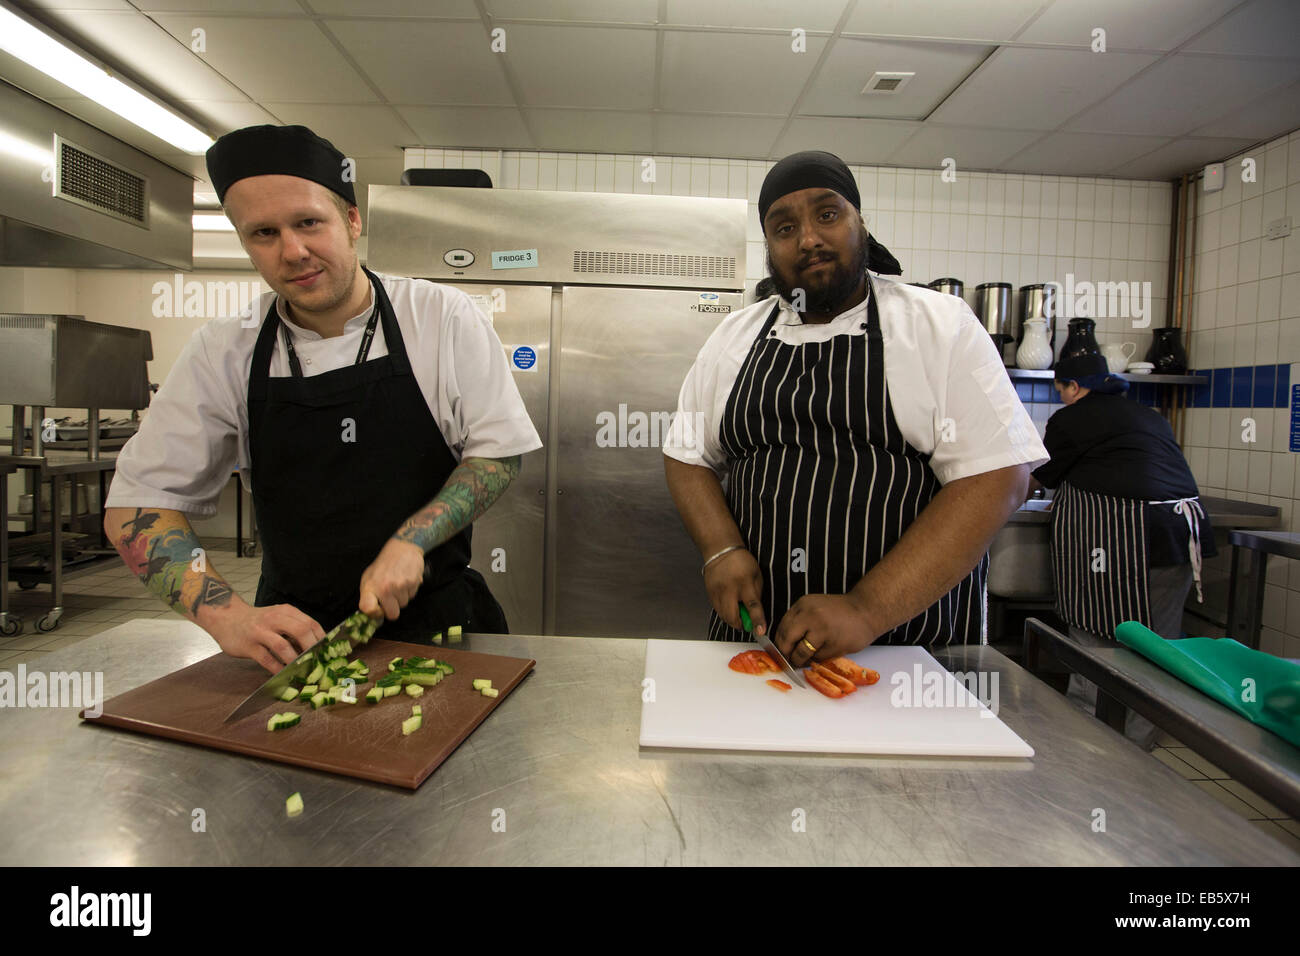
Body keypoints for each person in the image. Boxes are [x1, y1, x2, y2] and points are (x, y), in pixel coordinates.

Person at [103, 124, 541, 673]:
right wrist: (229, 617)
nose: (293, 251)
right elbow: (137, 505)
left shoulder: (442, 317)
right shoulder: (223, 349)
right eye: (263, 233)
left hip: (441, 628)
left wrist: (411, 540)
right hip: (288, 642)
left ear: (352, 220)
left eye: (309, 222)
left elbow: (499, 454)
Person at [662, 150, 1048, 663]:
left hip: (906, 656)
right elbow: (687, 455)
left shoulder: (938, 325)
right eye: (783, 227)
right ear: (769, 249)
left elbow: (998, 478)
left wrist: (866, 608)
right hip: (759, 646)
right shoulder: (733, 336)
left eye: (827, 214)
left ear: (860, 222)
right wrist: (720, 548)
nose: (808, 239)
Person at [1029, 350, 1216, 642]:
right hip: (1182, 536)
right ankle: (1155, 690)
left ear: (1075, 387)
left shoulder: (1071, 418)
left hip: (1124, 538)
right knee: (1161, 646)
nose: (1062, 397)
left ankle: (1086, 689)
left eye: (1061, 390)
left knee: (1096, 637)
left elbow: (1036, 477)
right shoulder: (1149, 416)